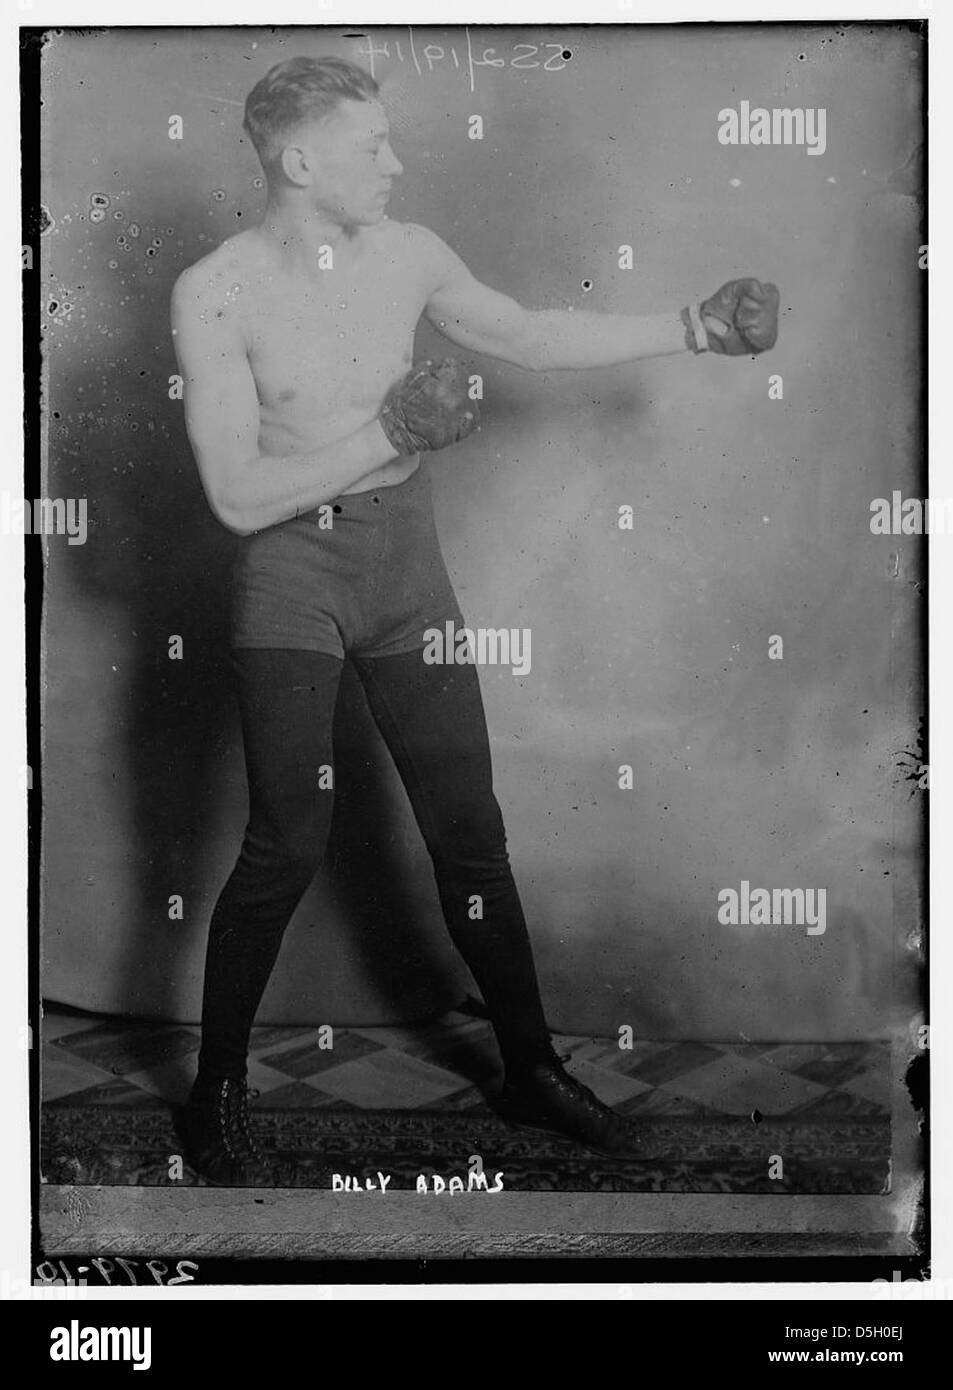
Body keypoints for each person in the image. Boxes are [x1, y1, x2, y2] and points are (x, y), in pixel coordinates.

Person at [170, 55, 779, 1185]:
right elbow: (238, 496)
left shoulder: (409, 254)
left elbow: (529, 334)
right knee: (286, 842)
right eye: (373, 146)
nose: (398, 163)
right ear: (301, 161)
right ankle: (215, 1093)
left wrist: (692, 326)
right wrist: (385, 427)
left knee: (469, 834)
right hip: (290, 578)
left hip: (406, 573)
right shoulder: (215, 288)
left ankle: (531, 1068)